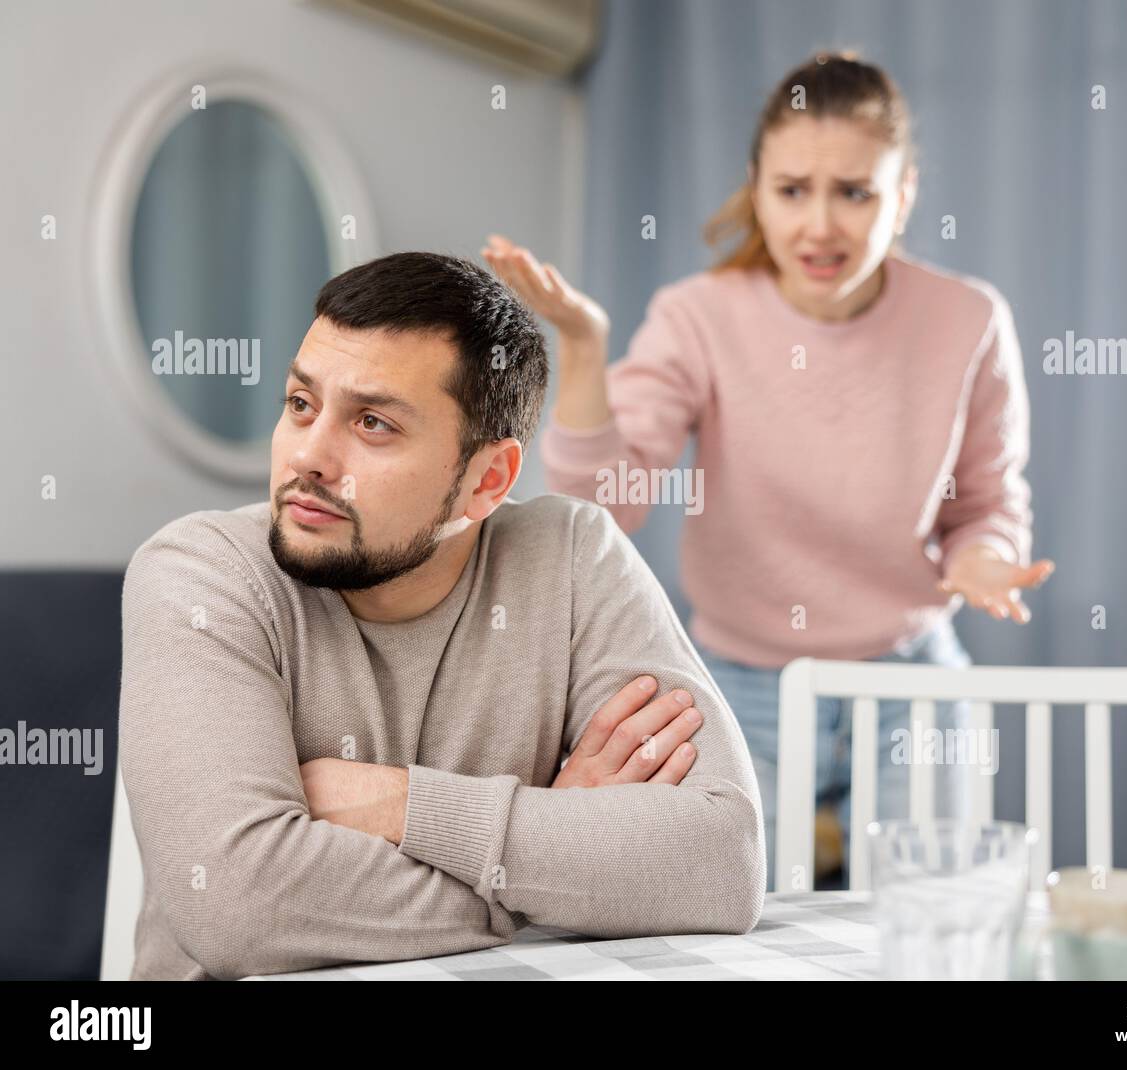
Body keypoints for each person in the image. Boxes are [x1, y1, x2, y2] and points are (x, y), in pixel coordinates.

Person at [483, 52, 1055, 892]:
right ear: (758, 187)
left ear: (902, 197)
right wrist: (584, 347)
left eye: (854, 192)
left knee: (939, 903)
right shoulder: (698, 316)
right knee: (754, 906)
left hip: (910, 666)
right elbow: (607, 504)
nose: (820, 225)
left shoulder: (967, 319)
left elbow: (986, 502)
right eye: (793, 191)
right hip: (744, 677)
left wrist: (980, 555)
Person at [118, 252, 764, 979]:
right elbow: (241, 906)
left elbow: (722, 860)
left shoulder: (574, 555)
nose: (309, 458)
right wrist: (544, 863)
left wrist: (403, 806)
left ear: (487, 479)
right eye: (301, 404)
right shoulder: (200, 574)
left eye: (372, 423)